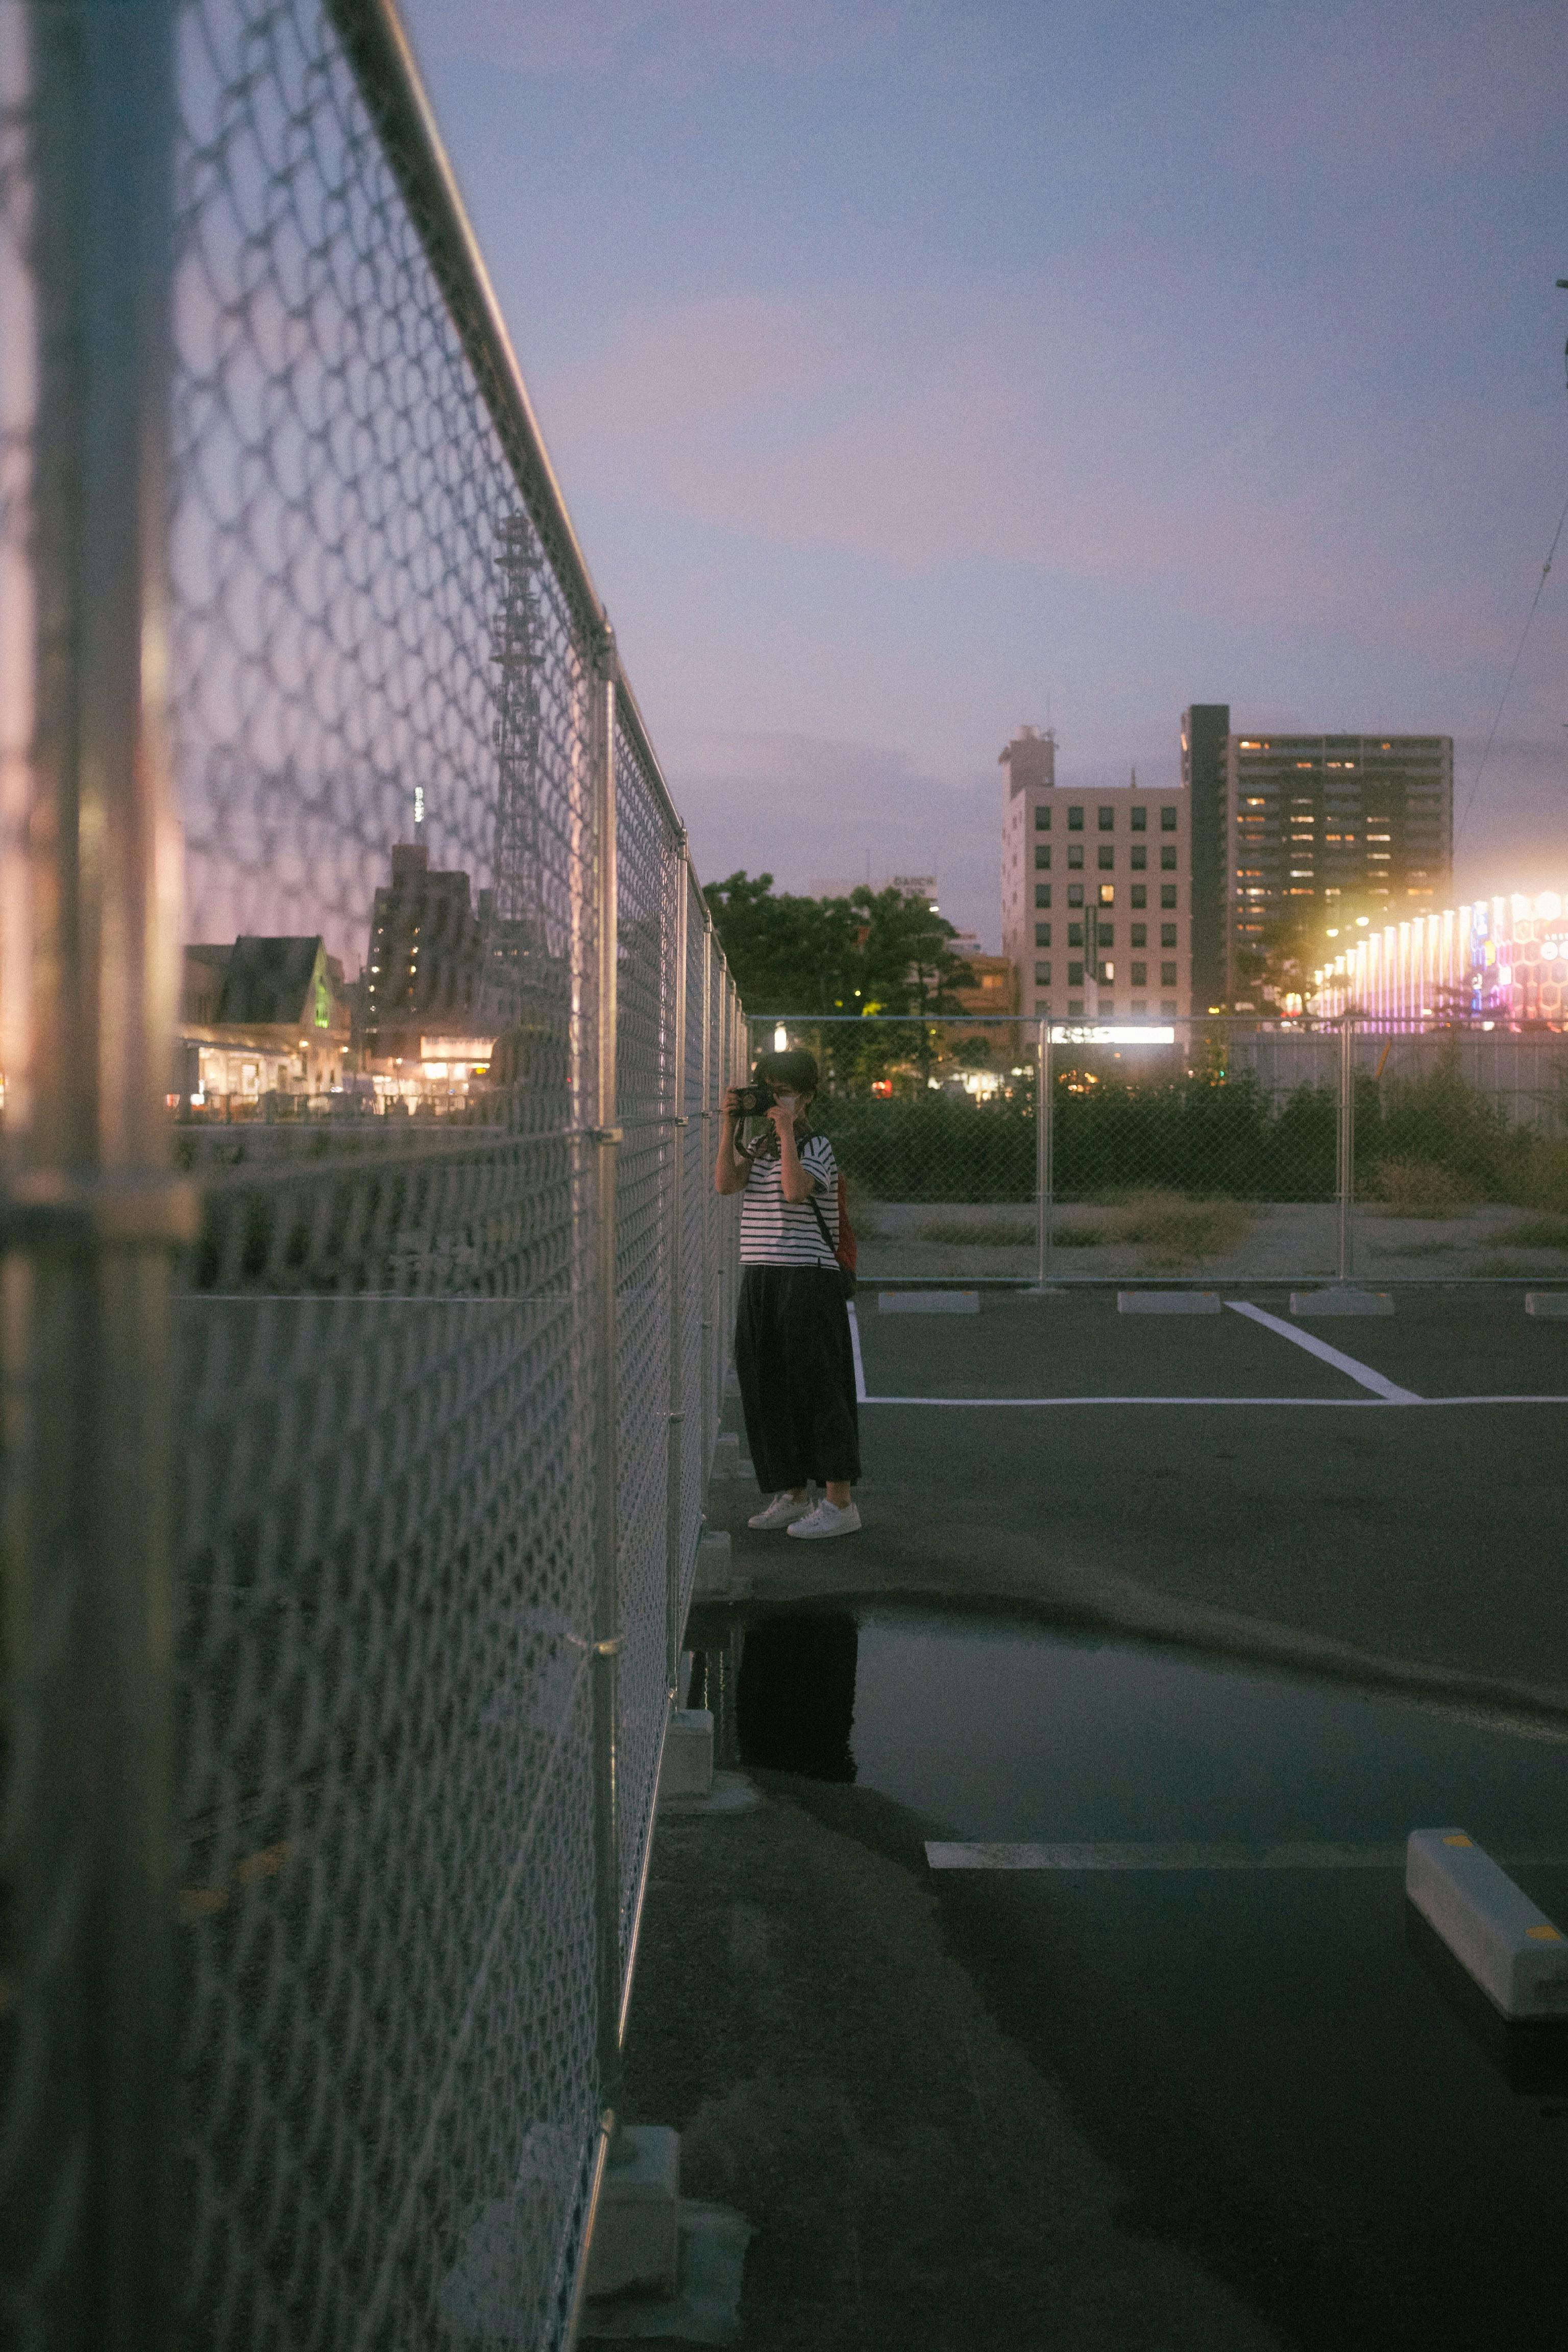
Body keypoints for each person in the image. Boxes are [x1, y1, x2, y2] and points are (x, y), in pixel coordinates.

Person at [715, 1047, 862, 1538]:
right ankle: (792, 1493)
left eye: (784, 1092)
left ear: (808, 1097)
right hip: (760, 1273)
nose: (774, 1099)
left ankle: (840, 1503)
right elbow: (724, 1184)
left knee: (818, 1386)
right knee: (766, 1383)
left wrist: (786, 1135)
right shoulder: (757, 1146)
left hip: (806, 1276)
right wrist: (729, 1127)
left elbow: (796, 1191)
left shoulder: (816, 1145)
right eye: (767, 1089)